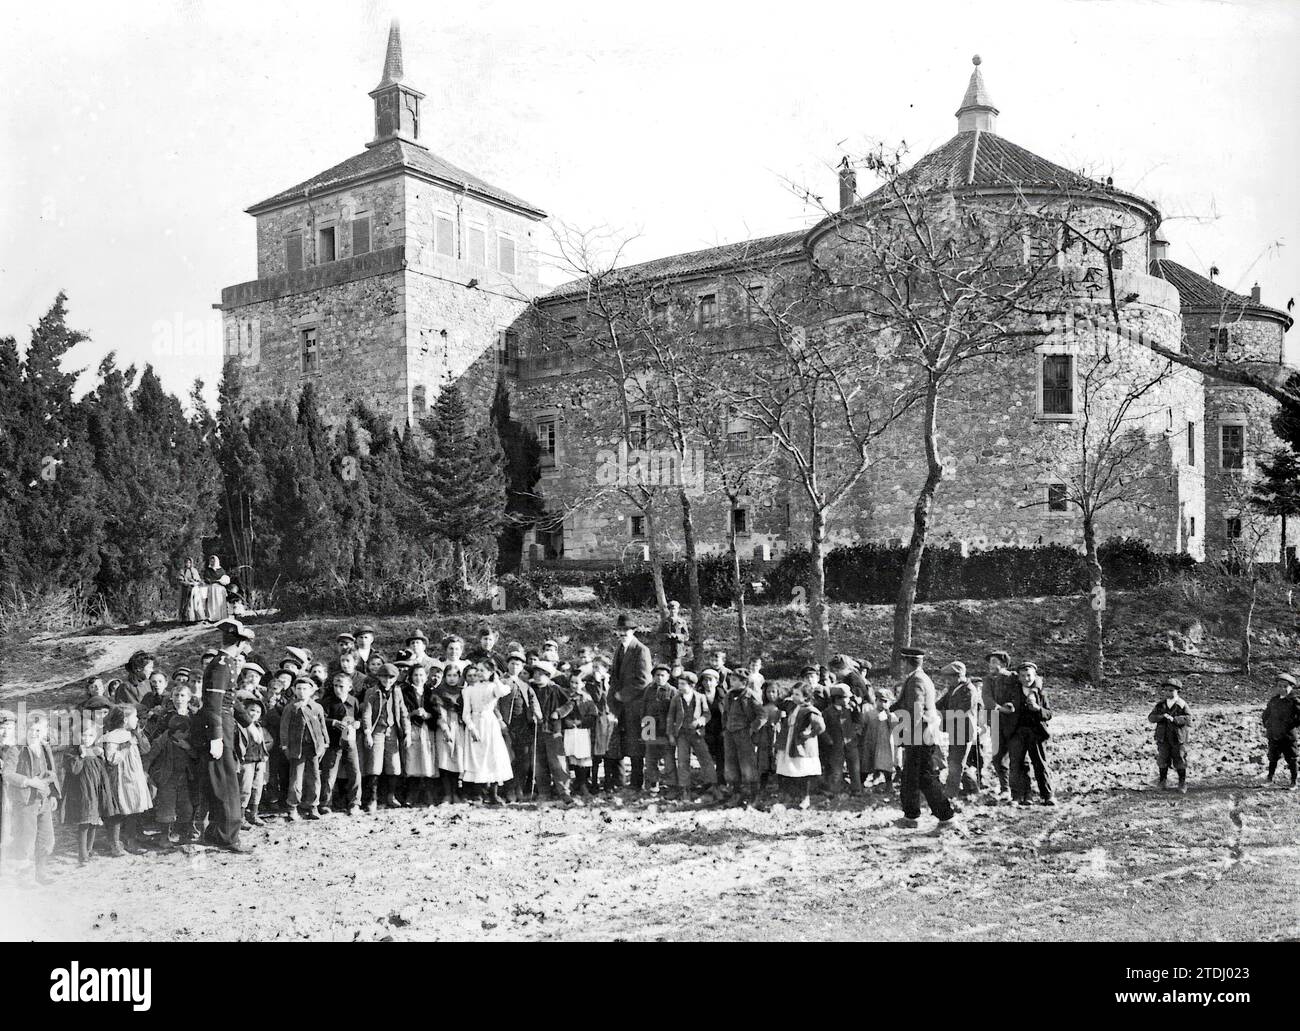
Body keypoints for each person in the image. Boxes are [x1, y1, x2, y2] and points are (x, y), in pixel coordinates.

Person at [193, 617, 255, 852]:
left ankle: (216, 833)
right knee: (226, 782)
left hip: (222, 723)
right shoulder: (222, 664)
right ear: (239, 643)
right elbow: (213, 702)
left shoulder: (225, 662)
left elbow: (230, 699)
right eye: (246, 642)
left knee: (219, 780)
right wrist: (217, 736)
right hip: (218, 727)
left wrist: (248, 723)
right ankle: (228, 837)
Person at [891, 647, 959, 831]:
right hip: (920, 735)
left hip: (919, 736)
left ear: (907, 662)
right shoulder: (918, 678)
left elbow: (916, 710)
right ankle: (913, 816)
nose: (901, 664)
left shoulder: (916, 680)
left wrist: (900, 722)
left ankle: (945, 816)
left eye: (903, 661)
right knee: (914, 777)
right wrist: (891, 708)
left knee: (922, 777)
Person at [3, 713, 61, 883]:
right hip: (26, 802)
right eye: (30, 730)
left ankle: (41, 873)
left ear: (44, 731)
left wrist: (53, 794)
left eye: (38, 730)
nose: (34, 733)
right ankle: (25, 878)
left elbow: (52, 770)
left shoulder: (44, 748)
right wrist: (28, 781)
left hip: (43, 800)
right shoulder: (17, 749)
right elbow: (7, 774)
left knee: (46, 838)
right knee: (26, 840)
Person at [60, 720, 116, 865]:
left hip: (96, 792)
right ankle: (82, 854)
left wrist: (103, 757)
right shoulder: (72, 752)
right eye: (83, 735)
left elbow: (104, 772)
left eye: (90, 735)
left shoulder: (96, 751)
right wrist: (81, 756)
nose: (86, 739)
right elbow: (74, 770)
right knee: (84, 821)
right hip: (82, 793)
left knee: (94, 821)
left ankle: (89, 849)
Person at [102, 703, 154, 855]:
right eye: (135, 717)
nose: (137, 719)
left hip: (133, 777)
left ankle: (131, 839)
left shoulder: (132, 734)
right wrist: (125, 748)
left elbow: (146, 750)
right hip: (120, 778)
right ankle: (115, 843)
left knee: (133, 808)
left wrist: (138, 734)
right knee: (119, 809)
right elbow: (112, 759)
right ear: (125, 720)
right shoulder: (112, 736)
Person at [459, 663, 514, 805]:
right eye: (477, 670)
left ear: (490, 672)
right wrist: (472, 728)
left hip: (490, 724)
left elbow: (503, 691)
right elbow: (465, 713)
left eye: (482, 670)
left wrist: (495, 679)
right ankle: (478, 794)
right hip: (476, 724)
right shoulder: (469, 690)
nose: (478, 673)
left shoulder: (493, 687)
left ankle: (493, 794)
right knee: (477, 758)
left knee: (493, 756)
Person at [610, 613, 652, 791]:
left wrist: (623, 696)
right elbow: (615, 676)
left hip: (636, 705)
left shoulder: (641, 650)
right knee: (620, 743)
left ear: (633, 631)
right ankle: (619, 782)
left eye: (625, 630)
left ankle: (636, 783)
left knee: (636, 746)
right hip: (620, 705)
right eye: (619, 630)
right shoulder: (619, 649)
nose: (622, 633)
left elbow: (643, 681)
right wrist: (613, 698)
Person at [361, 663, 409, 813]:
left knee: (394, 764)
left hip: (392, 730)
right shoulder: (372, 692)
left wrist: (407, 731)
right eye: (384, 676)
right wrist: (368, 732)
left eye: (391, 677)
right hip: (377, 730)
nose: (387, 680)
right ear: (379, 677)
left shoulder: (397, 691)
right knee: (374, 764)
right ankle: (372, 799)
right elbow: (366, 713)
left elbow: (403, 712)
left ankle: (391, 795)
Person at [281, 676, 329, 820]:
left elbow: (322, 726)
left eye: (305, 689)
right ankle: (292, 807)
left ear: (311, 690)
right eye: (299, 689)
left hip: (314, 748)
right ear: (294, 690)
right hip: (297, 748)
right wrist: (285, 746)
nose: (302, 692)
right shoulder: (291, 707)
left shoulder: (316, 707)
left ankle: (313, 805)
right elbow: (284, 728)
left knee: (314, 777)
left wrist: (325, 742)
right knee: (296, 778)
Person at [1007, 661, 1055, 806]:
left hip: (1036, 733)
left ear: (1035, 676)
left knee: (1040, 764)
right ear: (1019, 677)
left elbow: (1049, 714)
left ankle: (1047, 795)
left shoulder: (1041, 693)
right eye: (1023, 676)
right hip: (1018, 732)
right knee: (1017, 765)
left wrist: (1038, 709)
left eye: (1029, 675)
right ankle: (1018, 796)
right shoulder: (1013, 691)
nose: (1026, 678)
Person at [668, 670, 720, 802]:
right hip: (682, 735)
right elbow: (670, 717)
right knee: (683, 761)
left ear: (691, 686)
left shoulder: (700, 697)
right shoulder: (676, 699)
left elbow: (707, 714)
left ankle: (713, 786)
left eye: (683, 684)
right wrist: (671, 735)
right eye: (679, 684)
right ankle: (685, 789)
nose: (680, 687)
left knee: (705, 759)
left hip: (697, 734)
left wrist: (700, 721)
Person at [530, 660, 576, 806]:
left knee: (557, 762)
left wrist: (559, 712)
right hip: (537, 730)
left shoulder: (555, 689)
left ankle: (564, 791)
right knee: (539, 762)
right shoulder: (531, 689)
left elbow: (570, 703)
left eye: (541, 674)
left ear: (548, 675)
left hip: (553, 730)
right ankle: (544, 791)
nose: (537, 676)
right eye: (535, 673)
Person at [498, 650, 541, 801]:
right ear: (507, 664)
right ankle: (509, 789)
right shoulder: (501, 682)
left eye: (518, 664)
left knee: (523, 760)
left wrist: (536, 714)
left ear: (522, 666)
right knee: (509, 758)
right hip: (507, 725)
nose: (515, 667)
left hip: (523, 725)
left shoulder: (525, 684)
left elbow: (533, 700)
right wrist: (500, 721)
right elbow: (495, 703)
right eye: (512, 663)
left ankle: (519, 788)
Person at [145, 714, 195, 844]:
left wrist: (188, 748)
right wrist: (145, 773)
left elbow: (195, 756)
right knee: (166, 809)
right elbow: (149, 757)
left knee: (186, 808)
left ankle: (181, 834)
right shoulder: (161, 742)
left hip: (183, 779)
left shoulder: (186, 742)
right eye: (186, 732)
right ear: (178, 732)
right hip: (167, 780)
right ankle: (164, 837)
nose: (189, 734)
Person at [775, 684, 825, 809]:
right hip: (789, 741)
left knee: (803, 770)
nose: (794, 696)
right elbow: (779, 703)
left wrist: (810, 734)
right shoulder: (791, 705)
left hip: (801, 745)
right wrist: (786, 694)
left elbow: (820, 726)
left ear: (806, 697)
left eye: (797, 694)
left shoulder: (810, 710)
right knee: (788, 769)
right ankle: (789, 795)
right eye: (793, 693)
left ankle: (805, 797)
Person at [937, 661, 982, 799]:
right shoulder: (953, 689)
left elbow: (959, 712)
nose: (947, 681)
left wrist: (940, 714)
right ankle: (972, 787)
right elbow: (940, 704)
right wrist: (932, 709)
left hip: (964, 732)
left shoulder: (969, 690)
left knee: (956, 763)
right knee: (955, 760)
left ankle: (950, 794)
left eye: (950, 677)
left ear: (959, 676)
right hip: (954, 730)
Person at [320, 673, 362, 815]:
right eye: (335, 686)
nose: (338, 689)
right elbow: (321, 720)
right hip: (333, 742)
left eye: (341, 686)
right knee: (330, 773)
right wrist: (333, 722)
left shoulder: (354, 701)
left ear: (349, 687)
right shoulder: (327, 702)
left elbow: (358, 717)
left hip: (350, 741)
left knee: (354, 771)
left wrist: (357, 723)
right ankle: (326, 803)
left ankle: (355, 803)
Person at [720, 667, 762, 807]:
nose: (731, 682)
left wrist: (752, 729)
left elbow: (762, 715)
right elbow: (725, 713)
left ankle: (753, 795)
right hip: (730, 734)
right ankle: (736, 793)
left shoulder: (751, 695)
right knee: (731, 765)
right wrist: (725, 728)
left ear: (743, 681)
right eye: (731, 679)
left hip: (744, 734)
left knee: (747, 765)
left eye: (734, 679)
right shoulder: (729, 695)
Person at [982, 650, 1019, 801]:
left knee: (1017, 756)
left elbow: (1016, 697)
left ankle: (1020, 790)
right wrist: (1000, 708)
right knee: (998, 757)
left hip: (1013, 723)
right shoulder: (988, 680)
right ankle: (1005, 788)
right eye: (990, 662)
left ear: (1004, 664)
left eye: (994, 662)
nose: (991, 666)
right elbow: (987, 698)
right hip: (996, 722)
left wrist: (1010, 706)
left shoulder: (1013, 678)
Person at [401, 661, 439, 805]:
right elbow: (402, 712)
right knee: (413, 759)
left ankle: (428, 794)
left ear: (426, 676)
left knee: (427, 759)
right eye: (415, 675)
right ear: (411, 676)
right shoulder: (406, 692)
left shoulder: (431, 692)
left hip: (427, 729)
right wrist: (414, 713)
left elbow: (437, 713)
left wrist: (428, 715)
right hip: (412, 728)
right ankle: (412, 794)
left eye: (421, 675)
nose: (418, 678)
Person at [1148, 678, 1192, 794]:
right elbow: (1151, 718)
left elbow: (1188, 719)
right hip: (1163, 737)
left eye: (1171, 690)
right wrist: (1161, 717)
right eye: (1166, 690)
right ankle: (1162, 781)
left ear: (1177, 691)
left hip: (1177, 738)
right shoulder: (1161, 705)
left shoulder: (1181, 705)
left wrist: (1175, 719)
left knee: (1180, 759)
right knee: (1162, 759)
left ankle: (1182, 783)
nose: (1168, 693)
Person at [819, 683, 863, 797]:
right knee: (836, 770)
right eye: (846, 698)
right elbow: (822, 728)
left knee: (854, 768)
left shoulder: (850, 709)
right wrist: (828, 740)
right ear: (837, 699)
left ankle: (856, 789)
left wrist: (857, 733)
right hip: (836, 745)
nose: (849, 700)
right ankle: (834, 790)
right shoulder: (827, 712)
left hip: (851, 743)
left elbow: (859, 721)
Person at [641, 664, 678, 797]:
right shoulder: (648, 690)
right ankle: (653, 784)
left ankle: (672, 786)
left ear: (668, 677)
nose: (660, 678)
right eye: (657, 675)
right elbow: (644, 709)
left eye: (663, 675)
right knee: (651, 759)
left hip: (666, 730)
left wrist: (672, 731)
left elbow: (676, 712)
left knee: (669, 759)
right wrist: (644, 728)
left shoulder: (673, 691)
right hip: (650, 728)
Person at [236, 699, 273, 825]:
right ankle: (240, 818)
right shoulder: (240, 727)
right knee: (244, 788)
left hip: (260, 759)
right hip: (246, 761)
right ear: (245, 711)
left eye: (258, 712)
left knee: (257, 787)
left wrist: (265, 753)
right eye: (251, 710)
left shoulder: (260, 728)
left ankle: (253, 814)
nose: (254, 714)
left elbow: (268, 742)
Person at [1262, 671, 1300, 788]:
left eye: (1285, 686)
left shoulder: (1294, 701)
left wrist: (1291, 724)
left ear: (1291, 688)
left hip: (1288, 736)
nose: (1282, 688)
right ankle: (1270, 778)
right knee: (1273, 757)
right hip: (1274, 735)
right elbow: (1266, 714)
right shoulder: (1274, 701)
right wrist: (1268, 725)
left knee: (1291, 759)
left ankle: (1294, 781)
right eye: (1279, 686)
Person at [432, 665, 464, 804]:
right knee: (445, 758)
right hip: (444, 724)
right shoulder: (439, 691)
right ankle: (447, 794)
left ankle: (456, 793)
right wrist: (444, 727)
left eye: (455, 675)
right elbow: (438, 710)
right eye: (449, 675)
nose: (452, 679)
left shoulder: (463, 691)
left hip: (458, 725)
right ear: (444, 677)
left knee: (457, 757)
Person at [657, 600, 689, 669]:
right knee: (665, 668)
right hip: (666, 650)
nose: (673, 611)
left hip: (678, 650)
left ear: (678, 610)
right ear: (669, 610)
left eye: (674, 609)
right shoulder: (664, 622)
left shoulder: (682, 622)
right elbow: (658, 635)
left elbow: (686, 636)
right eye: (671, 609)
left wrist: (678, 636)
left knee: (676, 669)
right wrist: (666, 636)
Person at [202, 554, 232, 622]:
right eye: (211, 561)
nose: (212, 563)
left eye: (214, 561)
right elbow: (206, 579)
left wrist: (221, 581)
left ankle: (221, 617)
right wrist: (214, 581)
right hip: (212, 588)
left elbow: (225, 578)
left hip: (220, 588)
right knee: (212, 603)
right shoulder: (208, 570)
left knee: (220, 603)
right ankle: (213, 617)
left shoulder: (221, 570)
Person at [178, 557, 206, 623]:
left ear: (191, 563)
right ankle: (186, 619)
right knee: (186, 604)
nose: (188, 564)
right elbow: (180, 580)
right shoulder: (182, 571)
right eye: (186, 562)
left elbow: (198, 579)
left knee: (196, 604)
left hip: (194, 589)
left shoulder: (194, 570)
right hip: (186, 589)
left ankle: (197, 618)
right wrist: (187, 583)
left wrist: (197, 583)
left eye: (189, 562)